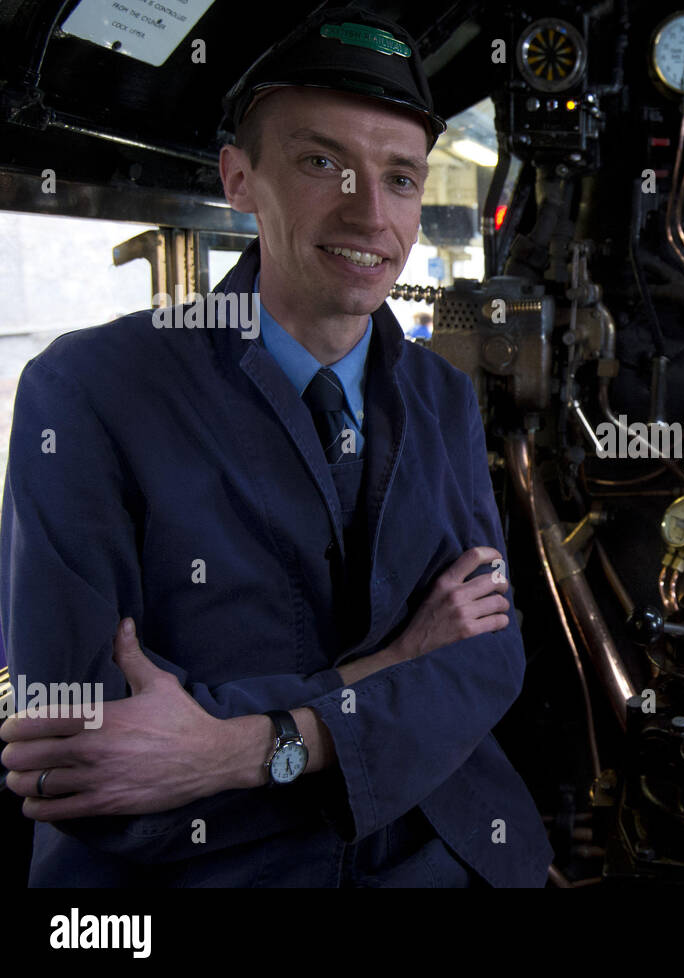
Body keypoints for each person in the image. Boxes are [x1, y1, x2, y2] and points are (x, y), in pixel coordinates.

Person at [0, 6, 552, 887]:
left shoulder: (442, 396)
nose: (370, 213)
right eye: (321, 162)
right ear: (238, 178)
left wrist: (248, 747)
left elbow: (489, 656)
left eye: (400, 178)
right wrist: (394, 666)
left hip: (445, 846)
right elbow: (81, 752)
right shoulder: (90, 390)